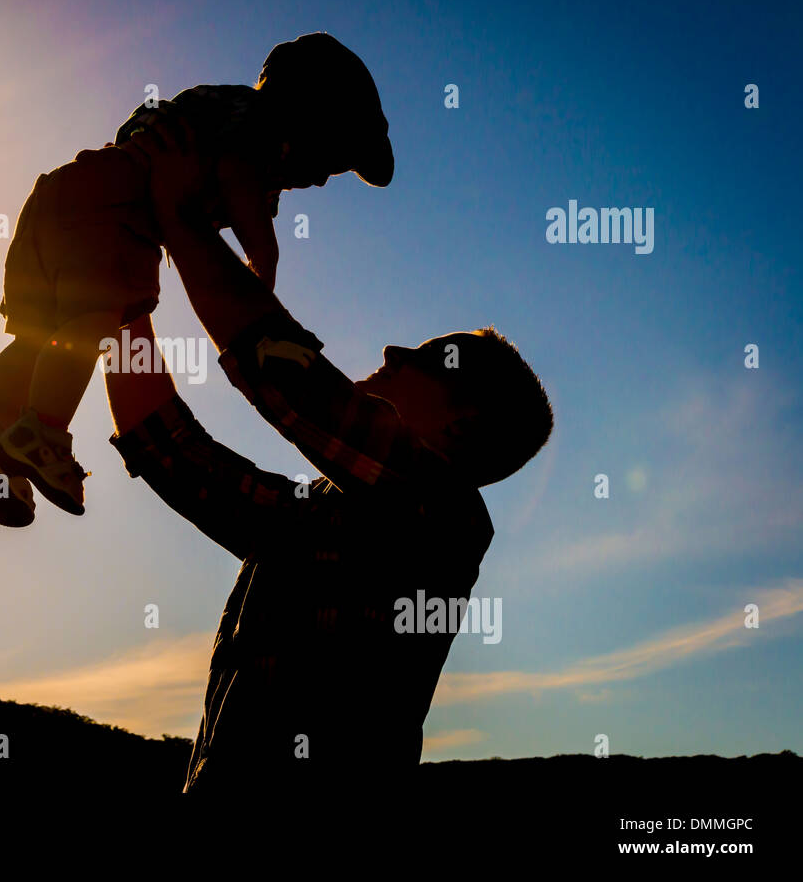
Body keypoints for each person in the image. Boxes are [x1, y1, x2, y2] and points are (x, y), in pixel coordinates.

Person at [103, 117, 553, 794]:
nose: (393, 351)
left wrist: (175, 216)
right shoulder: (312, 514)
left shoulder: (446, 519)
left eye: (427, 357)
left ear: (464, 425)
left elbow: (294, 381)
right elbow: (177, 457)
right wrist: (121, 300)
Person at [0, 33, 393, 524]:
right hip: (117, 209)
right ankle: (43, 431)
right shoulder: (258, 132)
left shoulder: (213, 108)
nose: (321, 180)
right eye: (332, 160)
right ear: (309, 112)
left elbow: (140, 134)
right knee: (99, 321)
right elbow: (235, 174)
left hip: (68, 190)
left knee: (38, 336)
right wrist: (262, 256)